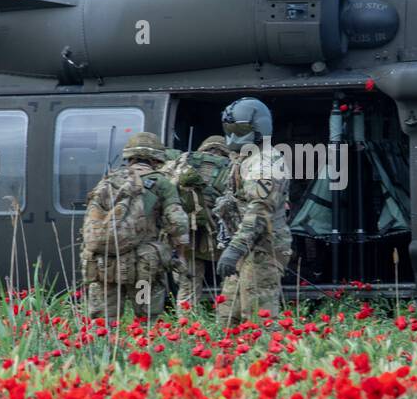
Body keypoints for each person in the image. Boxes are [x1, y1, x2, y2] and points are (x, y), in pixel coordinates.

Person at [80, 131, 190, 320]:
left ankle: (103, 349)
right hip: (143, 268)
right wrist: (181, 255)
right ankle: (144, 349)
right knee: (146, 319)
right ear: (157, 159)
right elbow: (178, 222)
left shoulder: (108, 181)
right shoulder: (162, 184)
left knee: (102, 322)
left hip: (105, 265)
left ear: (129, 157)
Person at [214, 98, 293, 325]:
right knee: (228, 315)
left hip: (263, 248)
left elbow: (259, 211)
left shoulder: (265, 163)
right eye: (229, 129)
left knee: (259, 318)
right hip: (245, 246)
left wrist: (234, 250)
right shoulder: (245, 159)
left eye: (240, 129)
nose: (233, 135)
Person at [162, 135, 234, 312]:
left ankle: (187, 325)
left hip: (189, 235)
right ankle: (228, 325)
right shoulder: (233, 166)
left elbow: (164, 188)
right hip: (220, 235)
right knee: (230, 283)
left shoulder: (183, 161)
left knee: (188, 285)